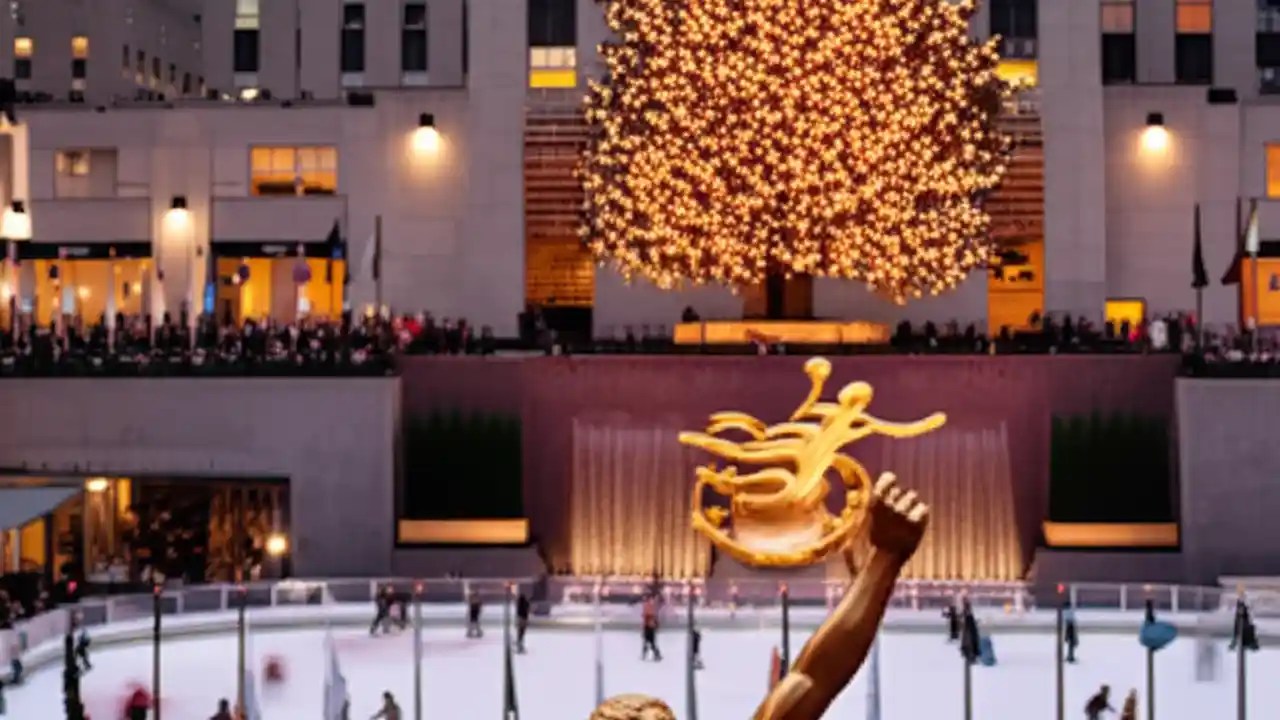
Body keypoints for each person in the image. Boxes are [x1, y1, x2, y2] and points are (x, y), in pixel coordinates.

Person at [641, 595, 662, 661]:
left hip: (648, 627)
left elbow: (648, 616)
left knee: (649, 642)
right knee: (649, 642)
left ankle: (653, 654)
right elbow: (653, 617)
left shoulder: (648, 606)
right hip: (649, 627)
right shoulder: (650, 606)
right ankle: (655, 654)